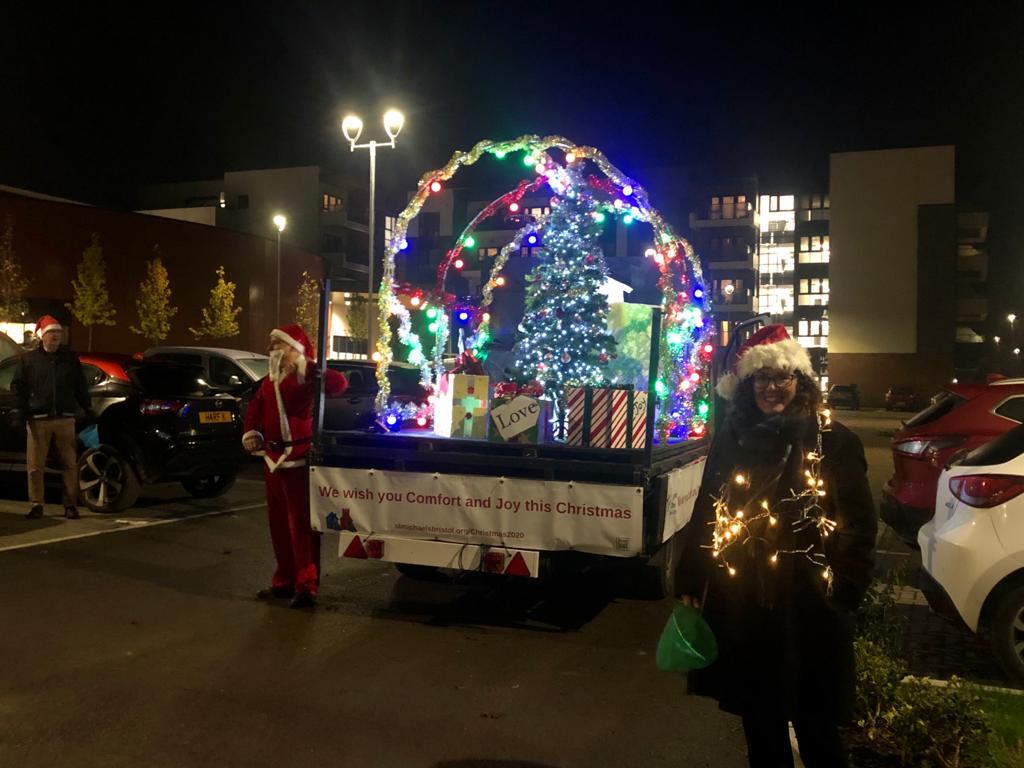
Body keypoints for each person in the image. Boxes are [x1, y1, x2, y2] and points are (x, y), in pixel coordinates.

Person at [675, 325, 876, 768]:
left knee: (816, 724)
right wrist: (693, 575)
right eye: (761, 378)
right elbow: (709, 505)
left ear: (800, 380)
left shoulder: (833, 440)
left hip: (810, 601)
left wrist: (845, 589)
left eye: (782, 377)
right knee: (760, 721)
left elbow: (859, 524)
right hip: (745, 598)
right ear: (747, 385)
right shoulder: (733, 438)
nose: (771, 387)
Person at [243, 324, 347, 609]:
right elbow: (256, 407)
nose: (271, 349)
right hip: (272, 460)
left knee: (301, 525)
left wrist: (316, 370)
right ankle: (284, 580)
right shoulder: (270, 380)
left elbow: (338, 385)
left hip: (297, 459)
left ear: (293, 347)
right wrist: (251, 432)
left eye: (277, 344)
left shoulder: (304, 374)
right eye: (272, 344)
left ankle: (306, 584)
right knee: (278, 524)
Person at [12, 315, 92, 520]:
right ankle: (37, 504)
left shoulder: (69, 359)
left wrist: (87, 409)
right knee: (35, 466)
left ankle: (70, 505)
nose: (56, 335)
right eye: (51, 332)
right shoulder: (29, 360)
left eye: (58, 332)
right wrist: (22, 413)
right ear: (42, 336)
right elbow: (18, 387)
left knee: (69, 465)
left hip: (65, 418)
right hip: (38, 419)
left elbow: (80, 386)